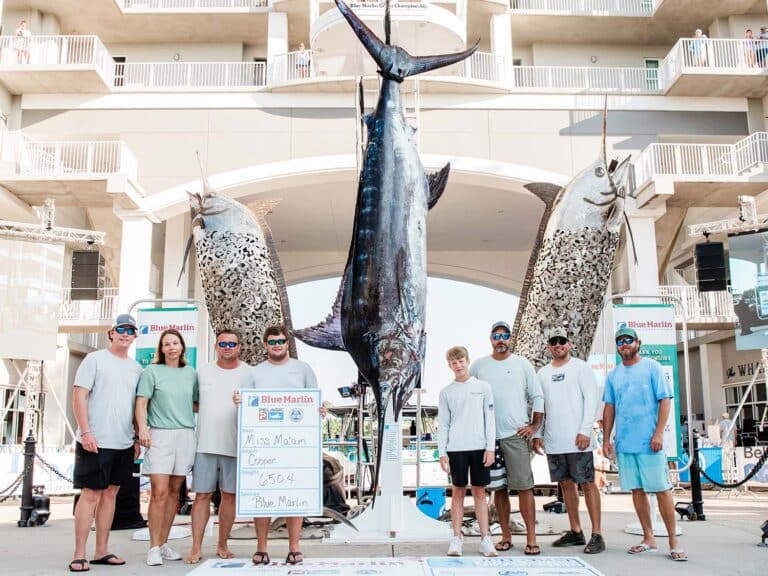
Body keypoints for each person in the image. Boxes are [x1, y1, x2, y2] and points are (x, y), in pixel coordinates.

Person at [603, 327, 688, 562]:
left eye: (628, 340)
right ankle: (648, 537)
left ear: (637, 343)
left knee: (661, 490)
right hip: (625, 444)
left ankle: (673, 541)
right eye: (620, 341)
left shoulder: (652, 367)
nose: (624, 344)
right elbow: (609, 407)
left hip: (651, 443)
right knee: (637, 491)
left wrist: (658, 434)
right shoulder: (613, 376)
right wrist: (606, 438)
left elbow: (665, 400)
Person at [70, 314, 143, 572]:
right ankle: (79, 553)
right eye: (121, 329)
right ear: (112, 332)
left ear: (136, 336)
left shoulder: (136, 369)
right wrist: (86, 432)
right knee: (90, 495)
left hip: (122, 443)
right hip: (95, 441)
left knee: (111, 494)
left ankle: (101, 550)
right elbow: (79, 396)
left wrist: (135, 436)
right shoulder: (94, 360)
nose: (125, 334)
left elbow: (136, 407)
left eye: (131, 330)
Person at [246, 325, 322, 565]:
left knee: (294, 494)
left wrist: (320, 409)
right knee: (262, 496)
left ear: (287, 343)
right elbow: (247, 405)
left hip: (296, 445)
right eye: (272, 341)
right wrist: (240, 402)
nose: (276, 345)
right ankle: (261, 547)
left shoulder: (303, 369)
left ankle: (294, 547)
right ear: (265, 345)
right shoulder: (254, 372)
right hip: (263, 445)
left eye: (280, 341)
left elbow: (315, 401)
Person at [470, 321, 544, 556]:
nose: (500, 339)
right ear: (490, 339)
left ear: (510, 338)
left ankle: (532, 538)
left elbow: (538, 395)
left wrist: (534, 426)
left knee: (524, 487)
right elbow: (468, 394)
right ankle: (505, 535)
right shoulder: (479, 365)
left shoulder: (522, 363)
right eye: (496, 336)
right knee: (498, 490)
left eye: (505, 335)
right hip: (489, 439)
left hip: (515, 436)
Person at [532, 327, 605, 554]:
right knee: (565, 485)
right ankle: (575, 530)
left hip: (578, 440)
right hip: (554, 440)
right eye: (553, 341)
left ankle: (597, 533)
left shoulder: (581, 368)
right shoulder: (542, 373)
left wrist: (585, 430)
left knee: (588, 484)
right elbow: (540, 406)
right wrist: (537, 434)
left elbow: (591, 398)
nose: (558, 345)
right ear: (548, 346)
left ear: (569, 344)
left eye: (561, 341)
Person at [185, 329, 254, 564]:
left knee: (230, 497)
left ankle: (222, 544)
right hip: (204, 444)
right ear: (216, 346)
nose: (227, 347)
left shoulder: (250, 374)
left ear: (239, 347)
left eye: (232, 344)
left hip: (236, 446)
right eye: (222, 344)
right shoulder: (202, 372)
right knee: (201, 496)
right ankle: (196, 547)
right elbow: (193, 403)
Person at [136, 329, 198, 566]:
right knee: (159, 492)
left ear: (182, 347)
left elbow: (195, 403)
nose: (172, 347)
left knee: (174, 493)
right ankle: (153, 547)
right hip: (160, 435)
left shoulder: (190, 373)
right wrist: (142, 429)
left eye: (176, 343)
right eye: (166, 344)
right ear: (161, 349)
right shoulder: (152, 372)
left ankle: (163, 544)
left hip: (185, 435)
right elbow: (142, 402)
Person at [438, 346, 497, 557]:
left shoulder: (483, 387)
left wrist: (490, 447)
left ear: (467, 360)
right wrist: (442, 452)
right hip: (456, 449)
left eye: (461, 360)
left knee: (480, 493)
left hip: (480, 447)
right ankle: (456, 538)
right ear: (449, 366)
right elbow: (443, 424)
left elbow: (490, 419)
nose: (458, 365)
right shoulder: (446, 392)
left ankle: (485, 539)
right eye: (454, 363)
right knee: (458, 493)